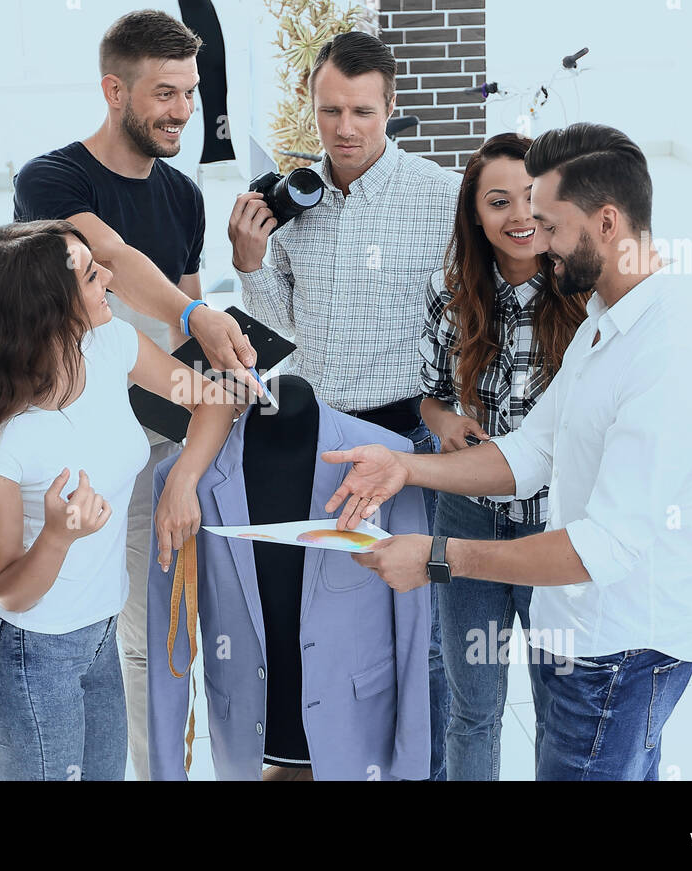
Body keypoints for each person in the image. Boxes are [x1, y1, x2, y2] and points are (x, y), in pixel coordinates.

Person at [325, 122, 692, 780]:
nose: (536, 238)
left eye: (550, 222)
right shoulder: (604, 322)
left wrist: (438, 556)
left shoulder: (669, 354)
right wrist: (407, 466)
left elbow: (601, 545)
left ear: (606, 222)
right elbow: (530, 454)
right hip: (579, 635)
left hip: (617, 657)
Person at [12, 9, 258, 780]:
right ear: (114, 90)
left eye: (189, 92)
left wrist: (213, 354)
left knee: (152, 634)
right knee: (54, 632)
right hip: (66, 448)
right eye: (164, 93)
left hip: (151, 444)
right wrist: (195, 312)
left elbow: (185, 339)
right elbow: (111, 256)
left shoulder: (183, 195)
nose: (182, 109)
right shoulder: (51, 178)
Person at [228, 30, 461, 781]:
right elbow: (280, 326)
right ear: (313, 107)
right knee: (329, 623)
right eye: (332, 111)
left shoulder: (442, 196)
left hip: (414, 443)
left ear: (391, 106)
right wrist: (249, 262)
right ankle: (316, 761)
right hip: (327, 445)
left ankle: (419, 766)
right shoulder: (290, 202)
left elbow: (469, 315)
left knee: (418, 625)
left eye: (363, 110)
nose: (346, 129)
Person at [0, 220, 242, 781]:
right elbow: (8, 590)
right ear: (47, 307)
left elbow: (211, 400)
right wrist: (57, 537)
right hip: (33, 659)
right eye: (89, 274)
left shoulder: (111, 346)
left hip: (99, 637)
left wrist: (180, 481)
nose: (109, 276)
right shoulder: (0, 439)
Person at [418, 132, 587, 779]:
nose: (518, 217)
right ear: (476, 215)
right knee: (472, 708)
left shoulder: (583, 292)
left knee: (559, 707)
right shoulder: (450, 291)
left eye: (530, 199)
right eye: (498, 202)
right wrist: (446, 421)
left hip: (554, 529)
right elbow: (430, 397)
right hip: (466, 519)